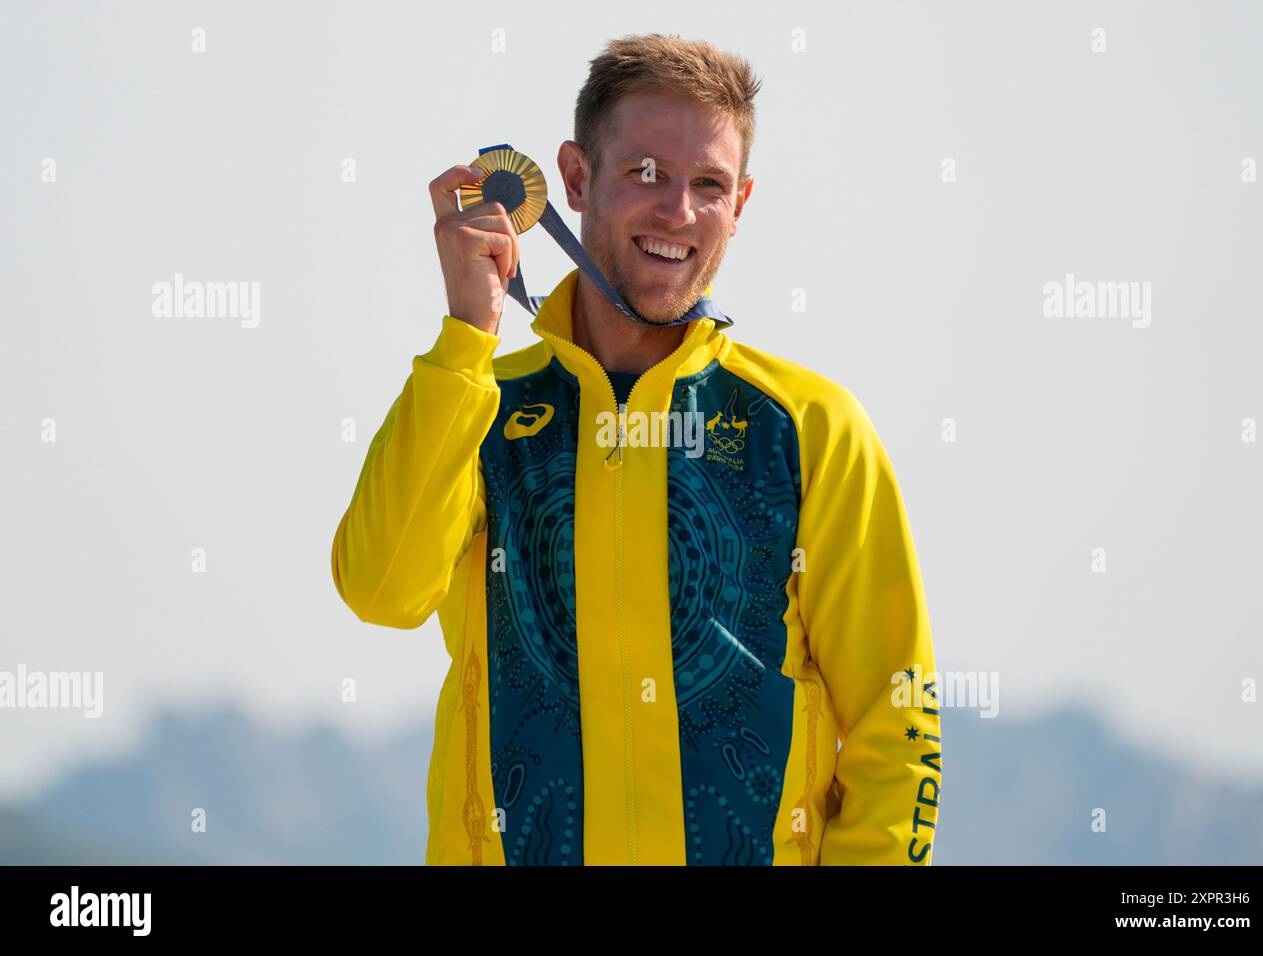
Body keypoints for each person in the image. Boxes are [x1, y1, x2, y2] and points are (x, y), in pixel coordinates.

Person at [331, 33, 941, 865]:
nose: (678, 211)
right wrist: (466, 337)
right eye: (647, 173)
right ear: (576, 179)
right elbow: (381, 589)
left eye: (709, 185)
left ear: (743, 203)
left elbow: (897, 722)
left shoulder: (812, 428)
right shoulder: (477, 401)